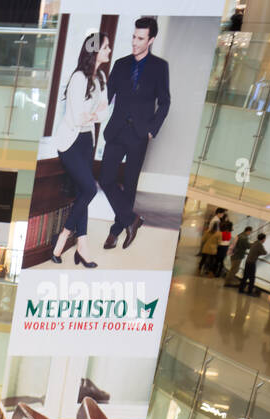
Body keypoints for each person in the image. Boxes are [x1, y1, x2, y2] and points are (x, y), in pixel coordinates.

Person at [100, 17, 169, 252]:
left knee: (130, 185)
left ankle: (115, 231)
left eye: (140, 38)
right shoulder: (120, 64)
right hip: (117, 131)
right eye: (133, 36)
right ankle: (132, 220)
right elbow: (106, 98)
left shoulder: (160, 67)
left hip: (139, 135)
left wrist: (152, 129)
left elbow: (165, 102)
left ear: (151, 40)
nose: (135, 42)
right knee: (106, 179)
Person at [49, 32, 110, 269]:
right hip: (70, 144)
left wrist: (93, 114)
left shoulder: (101, 77)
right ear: (94, 51)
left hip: (87, 141)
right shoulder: (78, 78)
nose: (108, 51)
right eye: (105, 47)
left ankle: (81, 247)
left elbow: (105, 112)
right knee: (89, 189)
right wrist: (94, 114)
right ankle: (64, 237)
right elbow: (75, 118)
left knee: (83, 193)